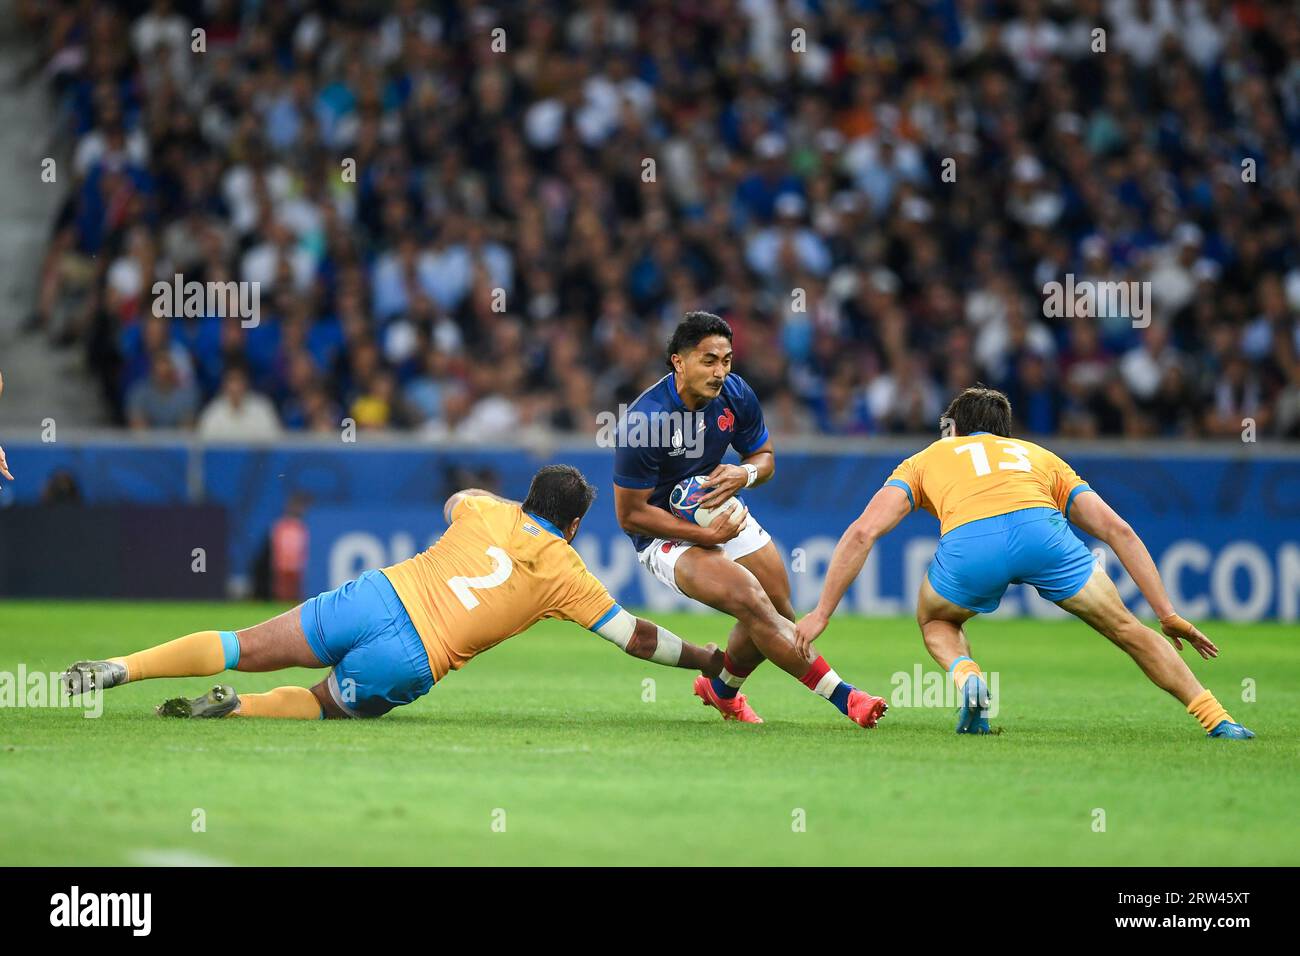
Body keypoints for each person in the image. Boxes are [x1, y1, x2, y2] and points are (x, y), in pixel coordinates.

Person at [62, 465, 724, 719]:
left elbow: (454, 500)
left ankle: (127, 666)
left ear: (528, 498)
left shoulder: (486, 510)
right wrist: (706, 658)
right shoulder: (568, 576)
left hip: (377, 596)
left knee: (243, 641)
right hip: (413, 658)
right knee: (322, 704)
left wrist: (489, 505)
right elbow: (634, 637)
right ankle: (237, 712)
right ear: (575, 526)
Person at [795, 386, 1254, 740]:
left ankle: (969, 678)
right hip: (1045, 536)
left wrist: (822, 611)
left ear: (953, 428)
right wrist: (1168, 613)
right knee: (1129, 629)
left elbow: (863, 531)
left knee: (935, 620)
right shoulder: (1039, 456)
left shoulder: (926, 457)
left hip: (972, 547)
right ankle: (1218, 719)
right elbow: (1119, 531)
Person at [613, 311, 887, 729]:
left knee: (779, 610)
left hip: (718, 509)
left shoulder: (736, 394)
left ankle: (721, 690)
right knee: (751, 600)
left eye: (726, 360)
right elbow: (630, 514)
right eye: (709, 360)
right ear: (678, 362)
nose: (720, 371)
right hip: (663, 535)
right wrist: (702, 535)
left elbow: (766, 459)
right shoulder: (643, 422)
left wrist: (745, 473)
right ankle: (847, 698)